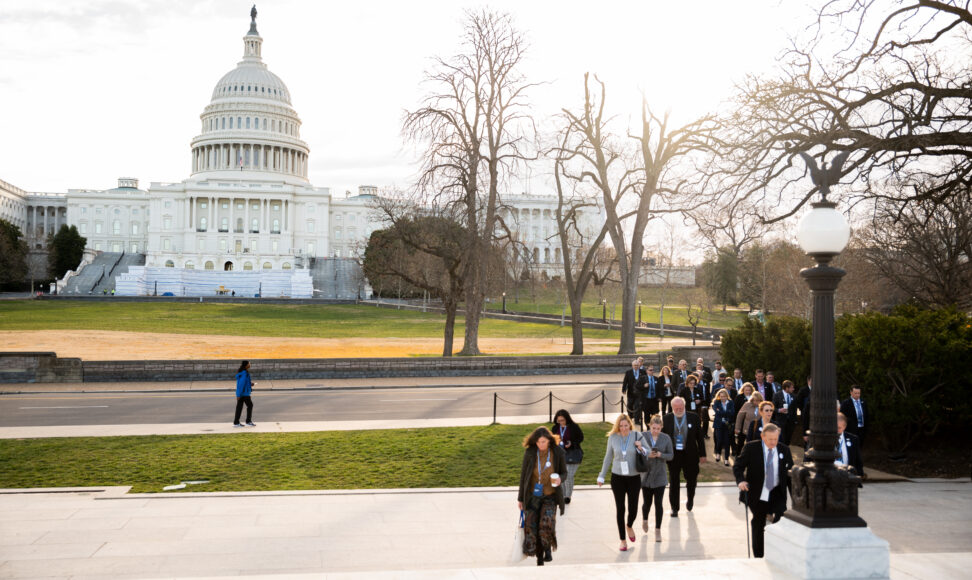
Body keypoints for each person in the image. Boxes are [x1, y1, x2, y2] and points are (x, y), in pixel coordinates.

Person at [733, 423, 794, 558]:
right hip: (758, 492)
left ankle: (776, 553)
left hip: (777, 492)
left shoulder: (784, 450)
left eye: (776, 439)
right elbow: (738, 466)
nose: (773, 442)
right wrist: (741, 481)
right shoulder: (751, 448)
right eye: (770, 439)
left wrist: (795, 496)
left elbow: (790, 475)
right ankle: (758, 555)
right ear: (762, 436)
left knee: (780, 519)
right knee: (759, 522)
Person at [517, 426, 567, 566]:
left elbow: (564, 472)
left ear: (549, 440)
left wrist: (560, 479)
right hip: (533, 496)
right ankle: (540, 558)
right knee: (532, 527)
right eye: (538, 442)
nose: (541, 445)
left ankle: (547, 548)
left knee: (545, 524)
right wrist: (520, 498)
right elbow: (523, 477)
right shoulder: (530, 453)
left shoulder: (558, 452)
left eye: (544, 442)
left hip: (550, 496)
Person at [597, 414, 645, 551]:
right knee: (620, 509)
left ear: (630, 424)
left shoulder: (637, 435)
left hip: (634, 477)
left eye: (626, 425)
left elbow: (647, 452)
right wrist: (601, 476)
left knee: (633, 508)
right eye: (621, 426)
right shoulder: (613, 437)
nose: (624, 428)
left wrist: (641, 447)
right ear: (618, 426)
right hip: (617, 477)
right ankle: (623, 540)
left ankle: (629, 525)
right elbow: (608, 458)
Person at [662, 397, 706, 516]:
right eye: (676, 408)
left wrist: (703, 454)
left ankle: (690, 499)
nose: (679, 410)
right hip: (674, 455)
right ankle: (674, 508)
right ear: (672, 408)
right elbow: (663, 438)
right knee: (674, 481)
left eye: (681, 408)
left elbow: (700, 438)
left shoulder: (694, 417)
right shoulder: (667, 419)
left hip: (690, 454)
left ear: (684, 406)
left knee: (691, 480)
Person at [639, 414, 673, 542]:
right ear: (650, 426)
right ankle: (645, 519)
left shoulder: (666, 438)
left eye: (658, 428)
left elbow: (671, 455)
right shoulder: (643, 436)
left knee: (658, 503)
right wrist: (648, 455)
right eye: (654, 428)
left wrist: (660, 454)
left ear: (661, 427)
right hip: (646, 475)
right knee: (647, 503)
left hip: (660, 475)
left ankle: (658, 530)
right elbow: (637, 452)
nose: (656, 431)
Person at [551, 410, 584, 505]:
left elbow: (581, 438)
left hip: (573, 454)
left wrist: (572, 443)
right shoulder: (555, 428)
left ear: (567, 419)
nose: (561, 422)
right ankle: (562, 495)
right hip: (560, 455)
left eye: (563, 420)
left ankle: (568, 496)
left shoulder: (574, 427)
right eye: (559, 420)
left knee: (569, 475)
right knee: (561, 475)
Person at [835, 412, 864, 482]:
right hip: (830, 477)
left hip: (847, 478)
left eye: (839, 428)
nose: (836, 430)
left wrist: (859, 477)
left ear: (844, 427)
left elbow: (858, 460)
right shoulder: (824, 438)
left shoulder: (853, 439)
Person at [711, 388, 735, 466]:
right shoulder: (716, 402)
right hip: (718, 425)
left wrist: (721, 412)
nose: (723, 398)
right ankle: (718, 454)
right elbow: (716, 412)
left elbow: (732, 413)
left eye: (724, 396)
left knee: (727, 442)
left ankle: (726, 459)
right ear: (719, 396)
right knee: (719, 440)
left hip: (727, 425)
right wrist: (726, 413)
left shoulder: (730, 402)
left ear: (727, 396)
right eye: (721, 396)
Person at [621, 359, 647, 428]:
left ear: (639, 366)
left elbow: (645, 380)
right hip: (631, 392)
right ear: (632, 366)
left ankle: (637, 420)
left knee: (637, 406)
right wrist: (624, 389)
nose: (636, 366)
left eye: (637, 365)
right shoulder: (628, 372)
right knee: (629, 405)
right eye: (635, 365)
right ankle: (630, 418)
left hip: (639, 393)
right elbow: (625, 381)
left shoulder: (643, 372)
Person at [772, 380, 797, 446]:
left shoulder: (794, 396)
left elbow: (794, 409)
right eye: (792, 387)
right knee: (781, 438)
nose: (793, 389)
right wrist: (779, 410)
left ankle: (786, 451)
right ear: (786, 388)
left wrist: (795, 420)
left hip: (790, 422)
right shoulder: (777, 395)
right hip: (780, 421)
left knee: (788, 439)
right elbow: (772, 408)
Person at [233, 360, 256, 427]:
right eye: (249, 363)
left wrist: (250, 384)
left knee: (239, 407)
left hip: (243, 393)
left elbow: (244, 383)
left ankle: (236, 422)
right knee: (250, 405)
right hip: (244, 394)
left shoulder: (243, 372)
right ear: (246, 365)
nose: (250, 364)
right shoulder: (244, 373)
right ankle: (248, 421)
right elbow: (241, 384)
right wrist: (238, 395)